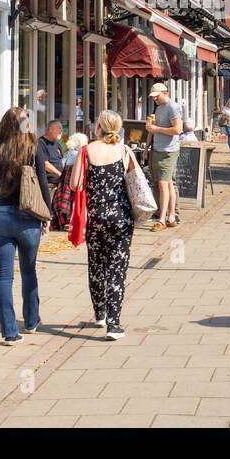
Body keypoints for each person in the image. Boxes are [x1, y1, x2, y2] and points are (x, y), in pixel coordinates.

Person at [0, 106, 49, 345]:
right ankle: (31, 321)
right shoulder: (33, 147)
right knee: (29, 271)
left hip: (2, 217)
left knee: (4, 277)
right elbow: (42, 182)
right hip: (28, 217)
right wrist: (46, 215)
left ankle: (9, 331)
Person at [67, 110, 139, 340]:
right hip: (120, 216)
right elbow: (137, 180)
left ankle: (100, 313)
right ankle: (114, 324)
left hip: (96, 217)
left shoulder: (86, 151)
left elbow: (74, 183)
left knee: (96, 264)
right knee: (117, 268)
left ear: (98, 126)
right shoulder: (124, 151)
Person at [145, 82, 183, 232]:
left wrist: (157, 129)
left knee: (162, 184)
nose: (154, 99)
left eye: (156, 96)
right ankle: (171, 216)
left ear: (164, 93)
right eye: (153, 97)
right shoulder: (158, 108)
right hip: (157, 149)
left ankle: (162, 219)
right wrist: (147, 147)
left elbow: (178, 130)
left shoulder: (172, 107)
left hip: (168, 151)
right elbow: (152, 130)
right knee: (166, 184)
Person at [37, 120, 64, 188]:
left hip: (60, 179)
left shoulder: (57, 144)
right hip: (50, 180)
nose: (61, 131)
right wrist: (60, 174)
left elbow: (61, 160)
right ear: (50, 129)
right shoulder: (40, 143)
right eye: (59, 128)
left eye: (61, 128)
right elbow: (45, 165)